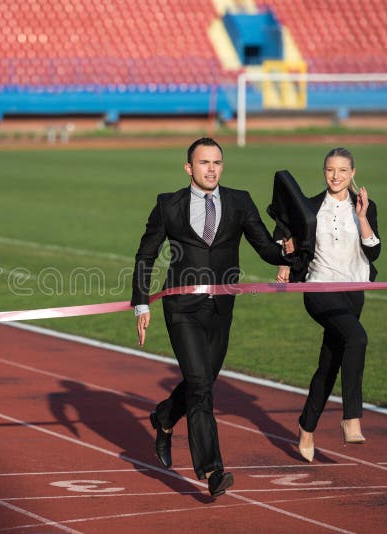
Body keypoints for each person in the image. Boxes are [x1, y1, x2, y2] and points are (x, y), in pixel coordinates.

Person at [131, 137, 291, 498]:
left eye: (217, 162)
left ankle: (165, 417)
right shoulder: (168, 204)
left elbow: (266, 248)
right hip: (181, 309)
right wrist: (142, 304)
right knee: (201, 387)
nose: (212, 169)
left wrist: (289, 255)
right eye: (204, 162)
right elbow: (146, 255)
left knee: (201, 381)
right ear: (189, 168)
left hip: (221, 309)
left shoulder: (239, 201)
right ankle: (212, 470)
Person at [275, 147, 380, 463]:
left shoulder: (366, 207)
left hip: (353, 293)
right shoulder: (309, 207)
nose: (336, 176)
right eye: (330, 170)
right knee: (357, 337)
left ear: (353, 173)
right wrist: (285, 258)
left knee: (330, 363)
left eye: (343, 170)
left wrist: (362, 217)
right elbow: (284, 231)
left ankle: (306, 426)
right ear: (324, 172)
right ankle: (351, 418)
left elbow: (373, 252)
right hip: (319, 288)